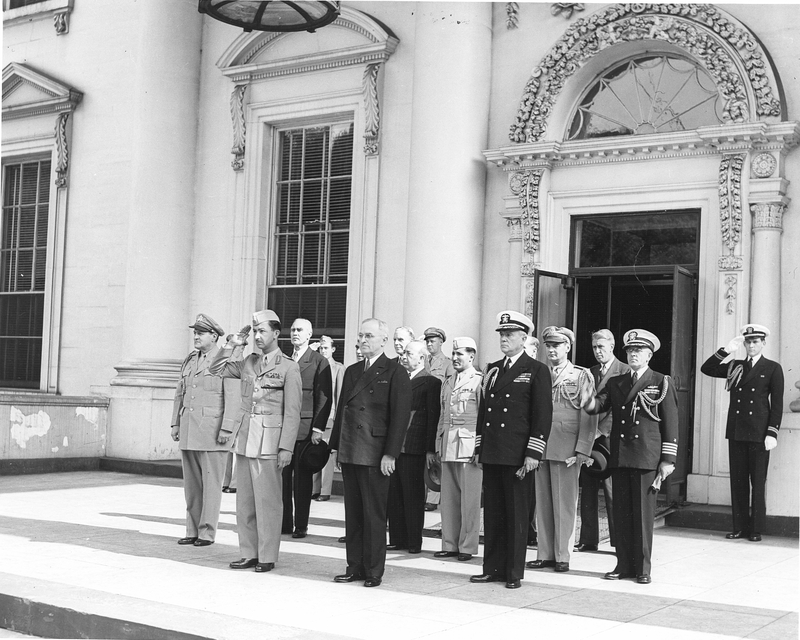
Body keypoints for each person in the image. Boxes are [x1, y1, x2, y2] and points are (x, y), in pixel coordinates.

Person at [581, 329, 678, 585]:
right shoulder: (617, 382)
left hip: (646, 457)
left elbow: (671, 423)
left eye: (639, 351)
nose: (634, 354)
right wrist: (584, 394)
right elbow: (596, 406)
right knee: (622, 513)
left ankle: (643, 568)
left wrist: (668, 459)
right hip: (621, 456)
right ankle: (623, 564)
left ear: (649, 354)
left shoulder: (661, 381)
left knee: (643, 516)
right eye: (630, 351)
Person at [209, 310, 302, 573]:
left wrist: (286, 447)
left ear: (276, 333)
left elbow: (292, 411)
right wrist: (233, 344)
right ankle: (248, 552)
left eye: (262, 331)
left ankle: (267, 555)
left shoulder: (288, 367)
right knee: (245, 503)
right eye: (255, 331)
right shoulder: (247, 362)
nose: (258, 336)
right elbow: (216, 369)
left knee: (269, 504)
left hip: (270, 442)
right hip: (246, 438)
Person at [471, 311, 552, 590]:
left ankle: (513, 572)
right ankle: (492, 568)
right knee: (493, 513)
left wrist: (533, 453)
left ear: (524, 338)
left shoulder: (537, 369)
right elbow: (484, 412)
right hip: (493, 451)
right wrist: (479, 447)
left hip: (518, 454)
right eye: (501, 334)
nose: (504, 339)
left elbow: (542, 416)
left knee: (517, 514)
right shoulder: (493, 369)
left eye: (509, 335)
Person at [330, 318, 412, 587]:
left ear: (383, 341)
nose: (362, 340)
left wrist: (391, 454)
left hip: (376, 453)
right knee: (353, 514)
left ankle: (374, 570)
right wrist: (337, 449)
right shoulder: (352, 371)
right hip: (352, 449)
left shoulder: (394, 371)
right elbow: (343, 410)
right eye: (360, 335)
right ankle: (354, 566)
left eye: (368, 336)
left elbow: (400, 419)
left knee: (374, 514)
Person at [700, 324, 784, 542]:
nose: (751, 345)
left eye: (755, 341)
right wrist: (726, 350)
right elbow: (706, 368)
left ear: (763, 343)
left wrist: (772, 433)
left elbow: (777, 404)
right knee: (737, 481)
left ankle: (755, 529)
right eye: (748, 342)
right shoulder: (735, 365)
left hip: (758, 433)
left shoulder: (773, 368)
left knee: (757, 481)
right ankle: (739, 527)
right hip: (737, 431)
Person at [527, 327, 597, 573]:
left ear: (568, 347)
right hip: (542, 446)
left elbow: (589, 416)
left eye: (557, 345)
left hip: (567, 448)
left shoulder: (581, 375)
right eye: (549, 345)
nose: (552, 350)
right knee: (543, 502)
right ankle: (544, 553)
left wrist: (583, 449)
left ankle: (562, 556)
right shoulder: (540, 373)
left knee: (565, 504)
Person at [171, 313, 235, 547]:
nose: (196, 336)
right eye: (195, 332)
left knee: (211, 486)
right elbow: (181, 392)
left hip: (212, 431)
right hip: (189, 429)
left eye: (201, 332)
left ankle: (207, 532)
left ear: (214, 336)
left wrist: (227, 428)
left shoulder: (226, 359)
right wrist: (175, 423)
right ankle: (192, 529)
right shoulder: (190, 360)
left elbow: (233, 396)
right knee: (192, 486)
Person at [575, 329, 628, 552]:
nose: (598, 351)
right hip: (588, 440)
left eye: (602, 347)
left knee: (612, 490)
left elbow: (620, 409)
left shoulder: (625, 371)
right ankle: (588, 539)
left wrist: (601, 431)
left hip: (610, 440)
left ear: (612, 346)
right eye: (595, 347)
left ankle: (618, 541)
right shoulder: (589, 372)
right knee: (587, 488)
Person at [388, 340, 441, 554]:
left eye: (409, 353)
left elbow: (432, 417)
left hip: (414, 445)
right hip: (395, 445)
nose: (403, 356)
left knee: (412, 495)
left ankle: (413, 541)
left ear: (421, 357)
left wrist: (429, 448)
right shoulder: (398, 378)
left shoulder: (430, 381)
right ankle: (397, 538)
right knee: (395, 494)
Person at [281, 318, 332, 539]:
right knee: (282, 479)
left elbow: (324, 396)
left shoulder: (319, 361)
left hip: (305, 427)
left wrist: (318, 428)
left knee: (301, 481)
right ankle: (284, 523)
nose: (295, 333)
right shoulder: (283, 359)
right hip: (283, 427)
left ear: (309, 334)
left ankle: (300, 524)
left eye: (300, 330)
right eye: (292, 329)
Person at [433, 337, 483, 562]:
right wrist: (437, 443)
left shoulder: (479, 381)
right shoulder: (448, 382)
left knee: (469, 501)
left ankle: (467, 546)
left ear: (471, 356)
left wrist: (480, 447)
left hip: (468, 446)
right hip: (448, 444)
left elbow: (483, 418)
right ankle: (449, 543)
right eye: (453, 354)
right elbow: (443, 415)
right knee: (449, 499)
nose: (454, 358)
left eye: (460, 354)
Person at [312, 336, 345, 502]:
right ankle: (315, 489)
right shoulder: (316, 365)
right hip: (315, 418)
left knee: (327, 455)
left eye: (326, 348)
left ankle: (325, 490)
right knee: (314, 454)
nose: (323, 351)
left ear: (333, 349)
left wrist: (339, 421)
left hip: (330, 418)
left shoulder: (338, 368)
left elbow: (339, 396)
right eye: (321, 348)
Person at [524, 335, 540, 546]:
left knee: (535, 494)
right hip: (521, 443)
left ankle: (532, 532)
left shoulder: (539, 372)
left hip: (539, 443)